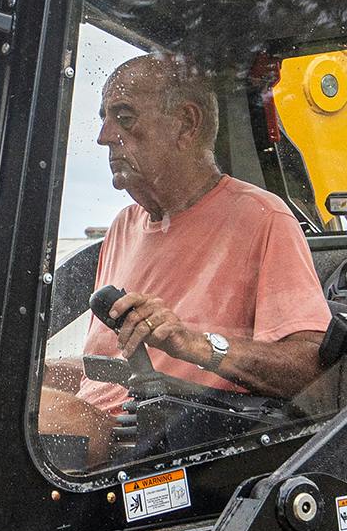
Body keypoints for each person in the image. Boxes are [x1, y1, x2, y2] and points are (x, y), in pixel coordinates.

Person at [41, 52, 331, 464]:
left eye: (124, 118)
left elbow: (310, 370)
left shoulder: (261, 219)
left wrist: (194, 344)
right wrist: (40, 374)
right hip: (110, 430)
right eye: (104, 118)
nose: (103, 136)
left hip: (172, 444)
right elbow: (106, 369)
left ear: (186, 124)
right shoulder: (123, 227)